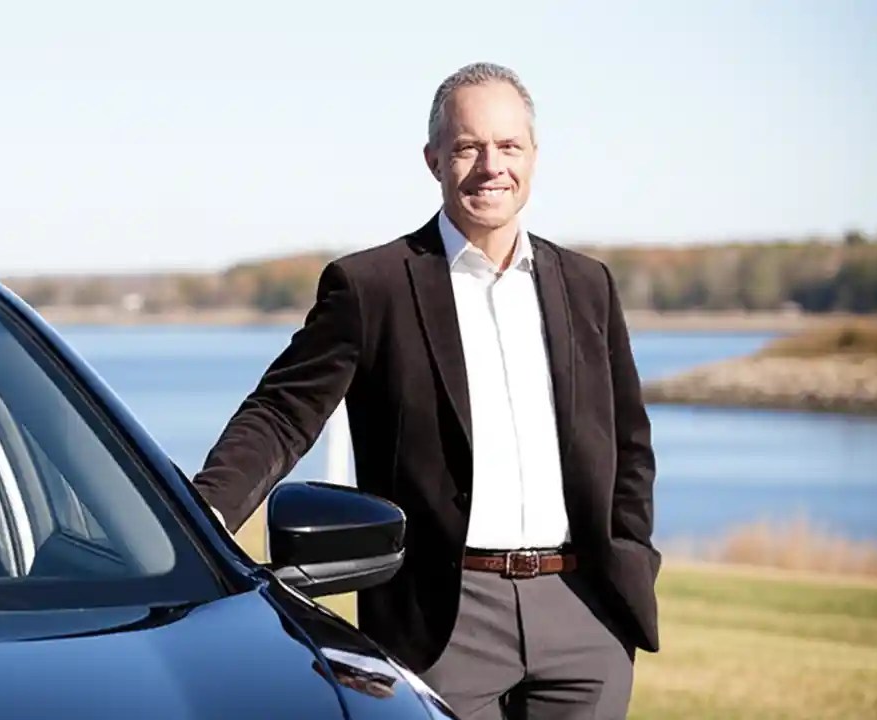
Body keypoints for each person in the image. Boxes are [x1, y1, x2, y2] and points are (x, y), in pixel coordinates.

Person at [192, 61, 659, 719]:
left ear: (533, 155)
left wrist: (630, 562)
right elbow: (282, 412)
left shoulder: (587, 284)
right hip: (440, 621)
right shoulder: (371, 286)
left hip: (584, 618)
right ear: (434, 158)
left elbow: (630, 446)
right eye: (468, 146)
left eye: (508, 146)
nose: (490, 165)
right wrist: (202, 517)